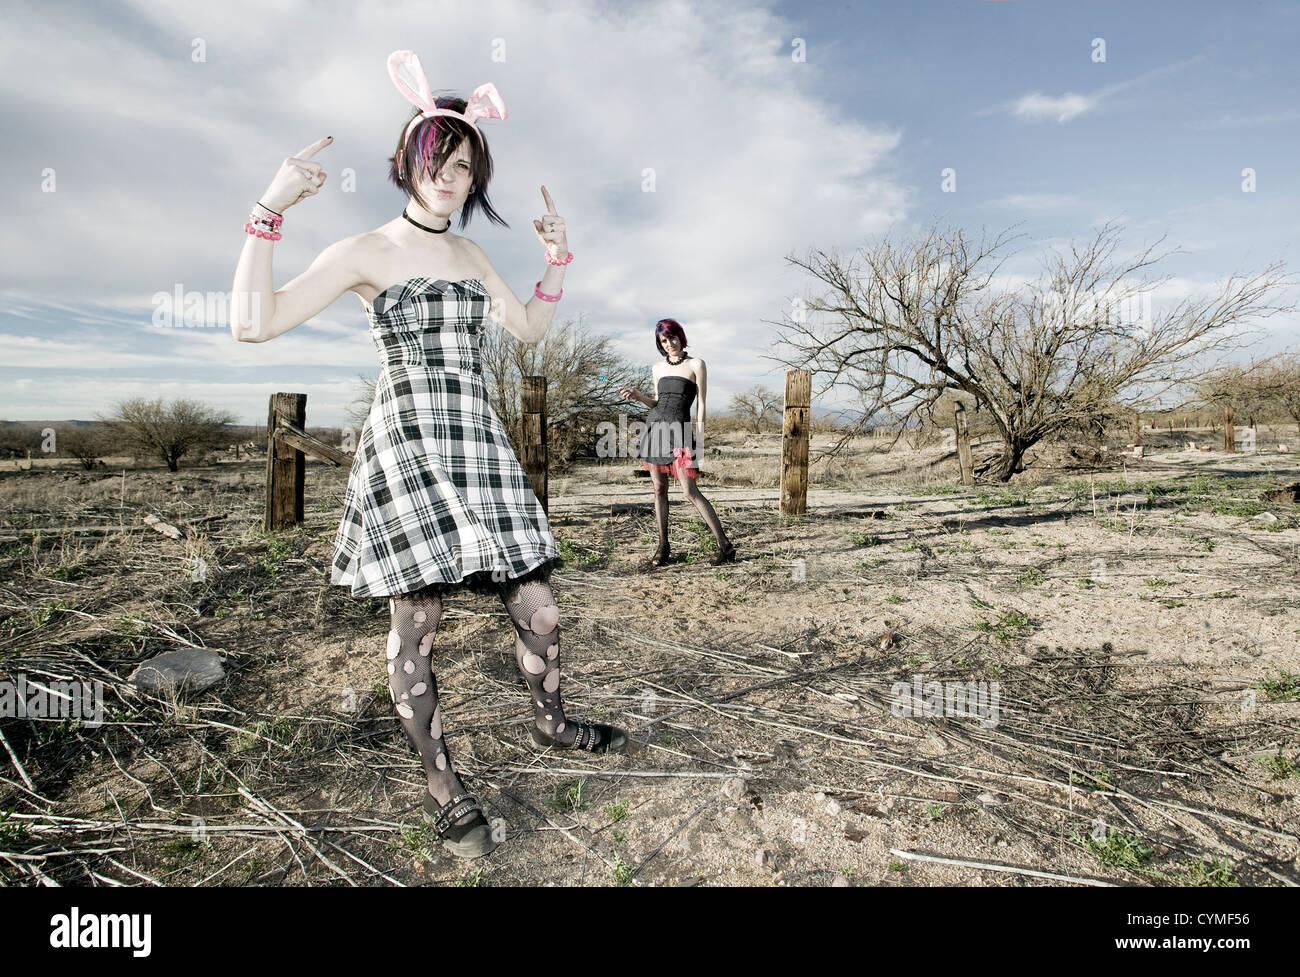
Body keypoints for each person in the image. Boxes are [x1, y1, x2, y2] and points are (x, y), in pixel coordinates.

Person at [230, 50, 626, 860]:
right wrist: (268, 210)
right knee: (419, 622)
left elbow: (529, 330)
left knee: (541, 607)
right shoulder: (365, 250)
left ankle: (551, 724)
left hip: (478, 443)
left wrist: (555, 261)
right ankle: (445, 788)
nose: (453, 175)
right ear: (411, 160)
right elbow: (252, 323)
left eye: (466, 164)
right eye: (442, 159)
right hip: (408, 446)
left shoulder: (472, 257)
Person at [619, 319, 736, 568]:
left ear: (681, 337)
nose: (669, 344)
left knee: (689, 491)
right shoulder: (657, 368)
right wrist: (639, 397)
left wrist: (701, 439)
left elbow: (701, 404)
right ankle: (663, 546)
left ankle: (724, 546)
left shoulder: (696, 364)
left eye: (672, 338)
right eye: (664, 340)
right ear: (660, 344)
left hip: (681, 432)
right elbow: (658, 402)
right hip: (655, 430)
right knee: (659, 490)